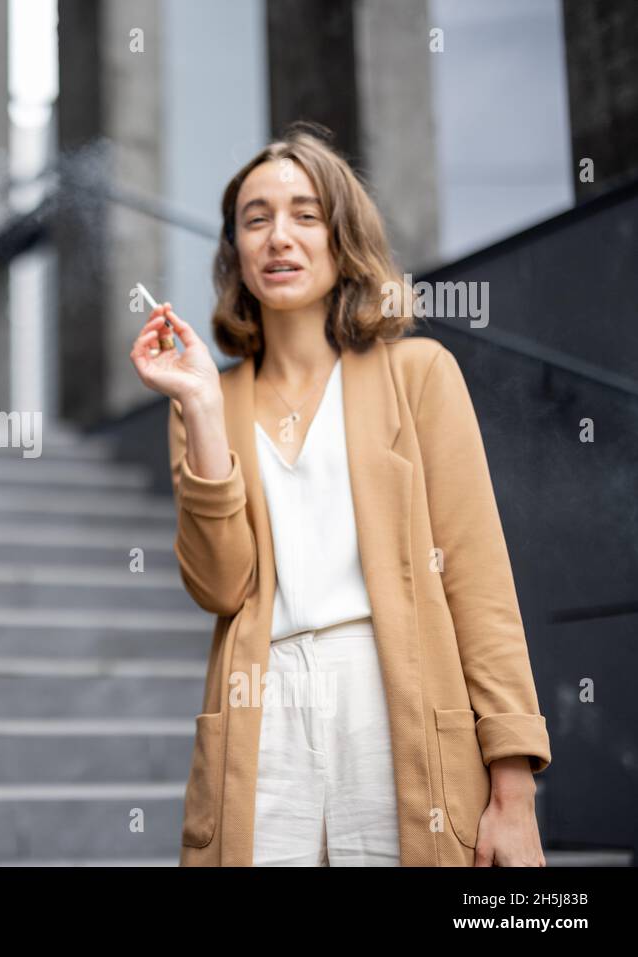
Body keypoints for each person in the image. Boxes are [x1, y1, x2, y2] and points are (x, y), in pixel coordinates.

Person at [129, 123, 551, 866]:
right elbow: (222, 585)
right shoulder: (206, 401)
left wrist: (512, 789)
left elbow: (480, 582)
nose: (278, 236)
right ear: (235, 251)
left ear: (341, 236)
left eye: (305, 213)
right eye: (255, 219)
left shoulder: (417, 372)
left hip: (392, 693)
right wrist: (197, 405)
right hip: (262, 708)